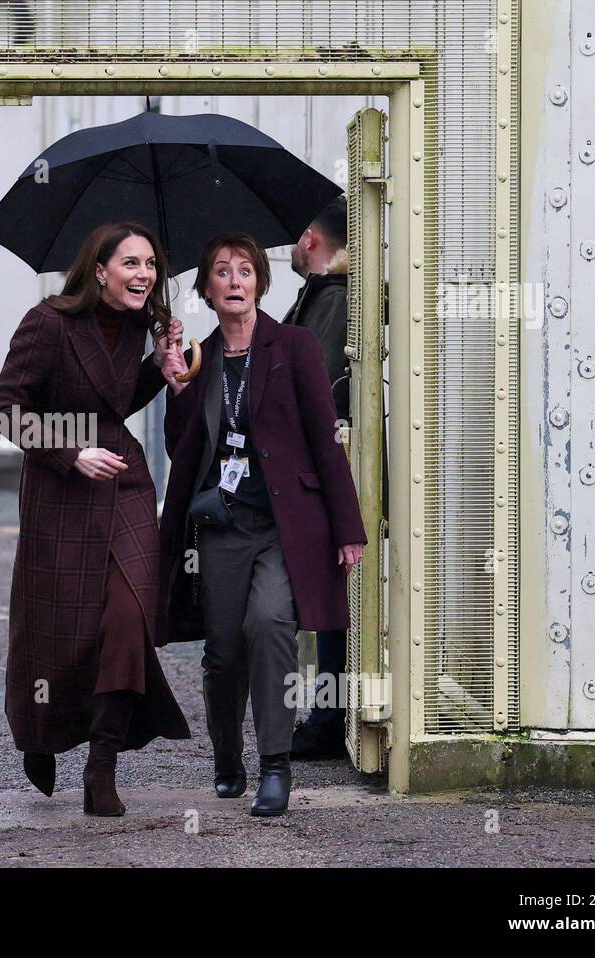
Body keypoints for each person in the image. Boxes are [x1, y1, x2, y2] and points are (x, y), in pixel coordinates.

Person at [156, 232, 366, 816]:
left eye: (244, 271)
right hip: (224, 526)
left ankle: (276, 767)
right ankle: (228, 759)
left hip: (285, 526)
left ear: (259, 284)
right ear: (207, 289)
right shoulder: (201, 358)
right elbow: (182, 449)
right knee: (223, 652)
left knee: (272, 623)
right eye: (221, 273)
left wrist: (347, 527)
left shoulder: (294, 345)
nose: (234, 281)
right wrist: (177, 385)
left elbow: (327, 441)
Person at [0, 221, 190, 817]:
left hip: (124, 481)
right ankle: (40, 732)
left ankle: (102, 765)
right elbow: (6, 411)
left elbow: (117, 402)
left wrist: (162, 363)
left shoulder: (140, 327)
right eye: (130, 263)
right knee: (60, 627)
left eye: (151, 264)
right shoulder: (47, 322)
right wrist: (70, 453)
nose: (144, 274)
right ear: (99, 270)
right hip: (62, 488)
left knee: (130, 616)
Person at [280, 196, 353, 760]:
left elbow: (317, 386)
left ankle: (326, 724)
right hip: (327, 469)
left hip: (322, 472)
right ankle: (325, 719)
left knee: (330, 603)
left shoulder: (330, 299)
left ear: (310, 238)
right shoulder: (326, 295)